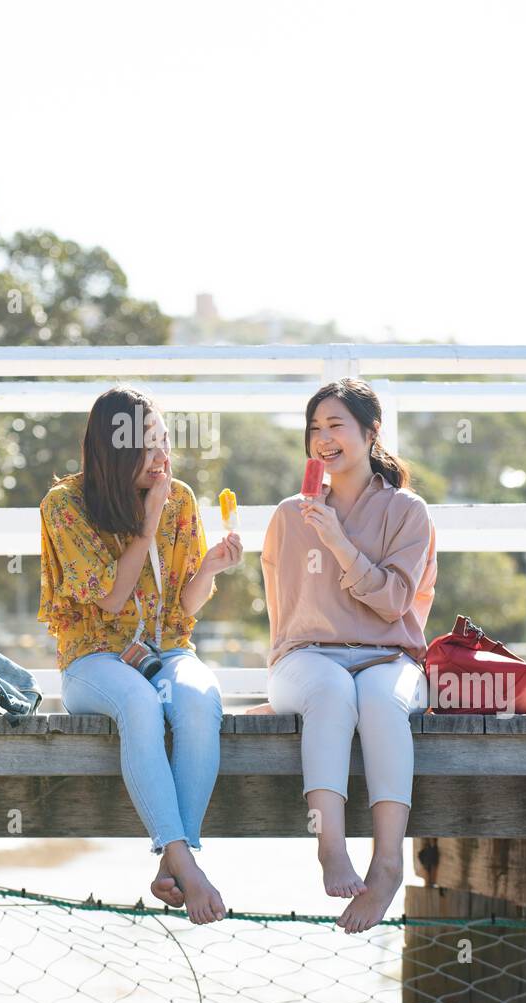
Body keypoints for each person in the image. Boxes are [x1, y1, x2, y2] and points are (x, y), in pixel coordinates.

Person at [38, 387, 243, 924]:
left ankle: (175, 865)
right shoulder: (65, 506)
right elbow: (108, 596)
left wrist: (211, 568)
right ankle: (186, 863)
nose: (161, 457)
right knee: (139, 706)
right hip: (93, 661)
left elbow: (186, 606)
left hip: (165, 652)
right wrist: (147, 524)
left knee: (200, 700)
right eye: (146, 445)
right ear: (112, 448)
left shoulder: (181, 500)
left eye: (164, 442)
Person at [261, 378, 437, 934]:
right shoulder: (291, 514)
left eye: (336, 425)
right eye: (315, 428)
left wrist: (338, 541)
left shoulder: (407, 511)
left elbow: (392, 603)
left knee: (381, 702)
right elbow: (284, 614)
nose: (323, 439)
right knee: (333, 691)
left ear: (370, 431)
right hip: (307, 659)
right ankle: (330, 848)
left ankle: (386, 865)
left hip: (389, 658)